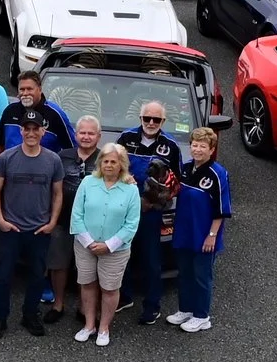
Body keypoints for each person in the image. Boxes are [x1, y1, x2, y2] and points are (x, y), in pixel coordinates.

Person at [0, 113, 64, 339]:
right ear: (20, 131)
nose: (31, 133)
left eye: (35, 129)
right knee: (3, 276)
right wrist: (0, 220)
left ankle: (30, 315)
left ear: (43, 132)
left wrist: (52, 223)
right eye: (26, 129)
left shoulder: (53, 160)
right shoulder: (7, 158)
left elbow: (57, 193)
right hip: (11, 229)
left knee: (37, 276)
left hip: (39, 230)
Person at [116, 101, 186, 324]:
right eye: (147, 118)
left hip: (151, 211)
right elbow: (112, 168)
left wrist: (156, 200)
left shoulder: (171, 146)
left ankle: (152, 305)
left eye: (156, 119)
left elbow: (177, 184)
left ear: (163, 122)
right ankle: (124, 297)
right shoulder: (125, 139)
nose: (151, 123)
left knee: (151, 260)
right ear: (140, 118)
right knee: (121, 255)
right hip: (124, 209)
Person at [70, 143, 140, 347]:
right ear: (100, 163)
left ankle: (104, 328)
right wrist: (90, 242)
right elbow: (76, 215)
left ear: (121, 165)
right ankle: (89, 325)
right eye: (105, 161)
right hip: (85, 246)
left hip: (116, 250)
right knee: (87, 284)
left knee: (109, 289)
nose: (109, 165)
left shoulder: (131, 189)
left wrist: (109, 245)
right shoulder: (87, 182)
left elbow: (131, 224)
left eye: (113, 162)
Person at [165, 127, 230, 334]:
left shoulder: (218, 175)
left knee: (202, 276)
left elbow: (221, 210)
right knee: (184, 273)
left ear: (211, 150)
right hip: (184, 232)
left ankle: (202, 316)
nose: (198, 149)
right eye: (194, 145)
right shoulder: (184, 169)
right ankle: (185, 309)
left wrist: (212, 236)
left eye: (203, 146)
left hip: (204, 235)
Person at [49, 115, 106, 322]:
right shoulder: (61, 156)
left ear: (99, 136)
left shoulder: (105, 159)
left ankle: (84, 307)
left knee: (87, 269)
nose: (86, 136)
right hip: (62, 220)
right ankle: (58, 304)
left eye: (91, 133)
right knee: (58, 264)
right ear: (75, 134)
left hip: (91, 226)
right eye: (82, 132)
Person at [0, 70, 74, 152]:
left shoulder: (55, 114)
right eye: (22, 89)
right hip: (12, 164)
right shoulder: (10, 111)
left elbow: (71, 148)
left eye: (29, 89)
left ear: (40, 89)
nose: (25, 93)